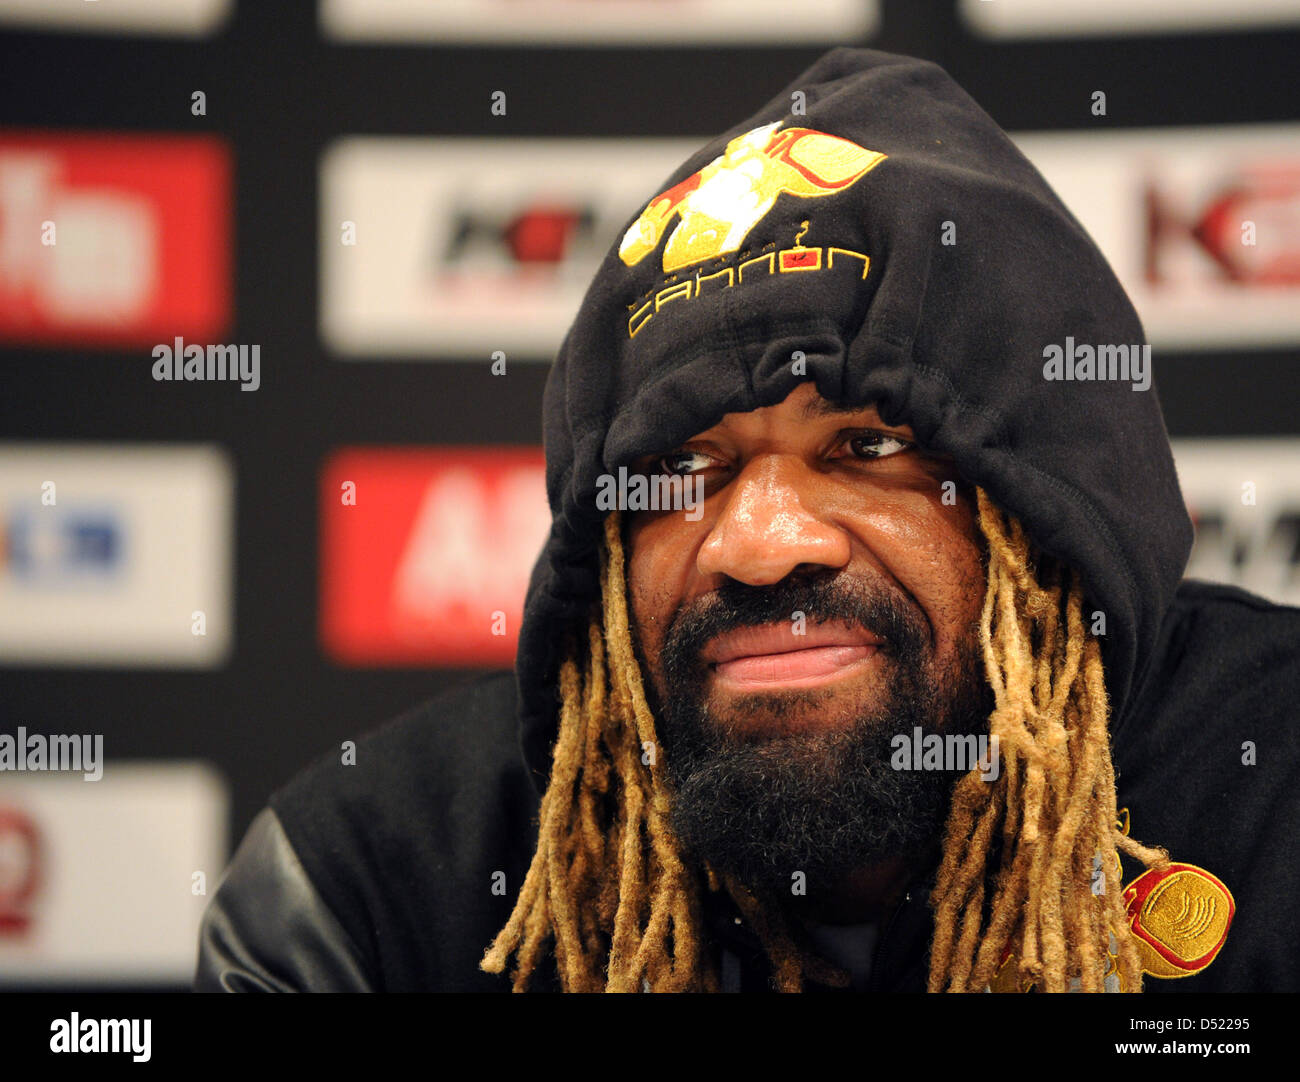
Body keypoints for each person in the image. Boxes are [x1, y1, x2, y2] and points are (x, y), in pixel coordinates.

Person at [194, 47, 1300, 993]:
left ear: (1053, 518)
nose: (761, 542)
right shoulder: (367, 888)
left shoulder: (1274, 792)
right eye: (682, 467)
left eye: (867, 448)